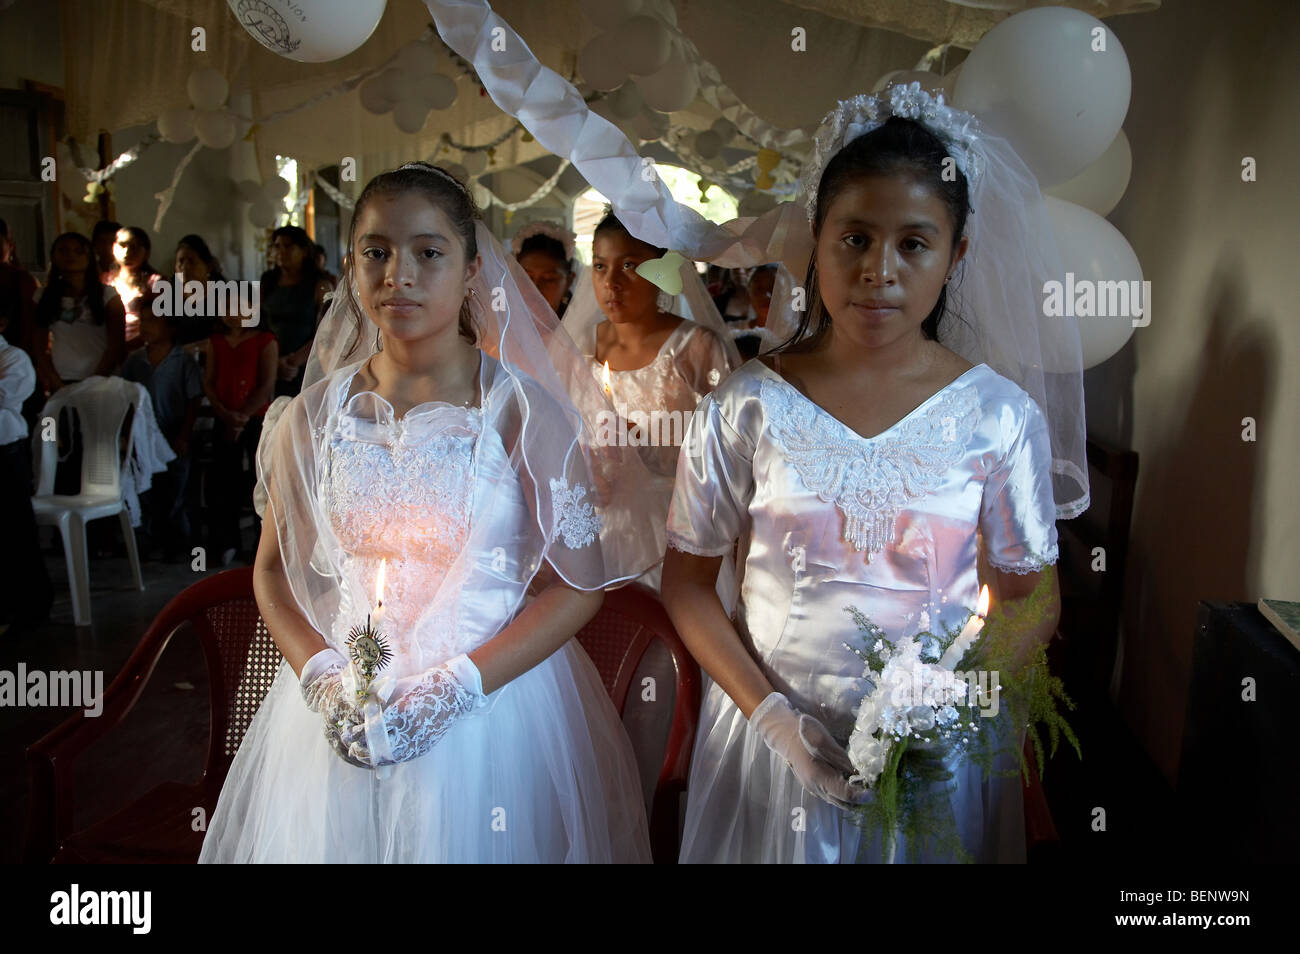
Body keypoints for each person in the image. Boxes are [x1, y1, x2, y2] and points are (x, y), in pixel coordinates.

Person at [661, 87, 1086, 863]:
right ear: (815, 243)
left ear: (956, 255)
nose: (877, 271)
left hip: (932, 762)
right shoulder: (746, 404)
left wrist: (948, 713)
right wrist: (772, 721)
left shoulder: (1000, 417)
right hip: (770, 742)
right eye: (853, 239)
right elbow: (687, 583)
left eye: (913, 244)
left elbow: (1032, 599)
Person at [199, 162, 659, 863]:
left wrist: (456, 689)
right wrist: (321, 678)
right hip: (341, 710)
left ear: (472, 270)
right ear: (351, 266)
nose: (398, 274)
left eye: (428, 252)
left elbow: (577, 586)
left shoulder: (524, 413)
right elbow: (271, 571)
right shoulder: (311, 416)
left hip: (489, 710)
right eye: (376, 252)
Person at [563, 212, 739, 592]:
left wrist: (647, 450)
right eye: (599, 266)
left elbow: (731, 457)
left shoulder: (697, 348)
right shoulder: (574, 349)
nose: (612, 283)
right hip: (596, 534)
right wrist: (587, 470)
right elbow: (550, 444)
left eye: (630, 265)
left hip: (673, 534)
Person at [123, 297, 203, 559]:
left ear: (170, 327)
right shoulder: (135, 361)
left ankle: (179, 544)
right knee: (148, 489)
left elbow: (193, 399)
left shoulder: (183, 361)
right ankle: (151, 540)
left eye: (153, 321)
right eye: (143, 320)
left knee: (177, 490)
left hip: (174, 432)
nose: (145, 326)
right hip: (144, 436)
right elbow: (125, 398)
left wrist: (184, 435)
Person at [202, 309, 278, 565]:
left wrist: (242, 417)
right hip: (224, 419)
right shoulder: (216, 341)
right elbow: (209, 382)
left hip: (255, 420)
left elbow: (266, 384)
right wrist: (225, 414)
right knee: (223, 483)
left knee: (260, 481)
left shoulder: (265, 340)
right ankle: (226, 542)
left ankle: (260, 547)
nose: (231, 314)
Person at [0, 306, 53, 633]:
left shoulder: (13, 358)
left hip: (6, 453)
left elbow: (6, 395)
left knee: (15, 531)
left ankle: (31, 607)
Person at [33, 232, 126, 394]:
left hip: (102, 379)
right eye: (63, 251)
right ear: (53, 257)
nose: (70, 255)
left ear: (89, 256)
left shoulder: (107, 295)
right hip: (62, 380)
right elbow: (39, 346)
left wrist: (94, 381)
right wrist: (55, 382)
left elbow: (115, 346)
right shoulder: (43, 296)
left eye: (78, 251)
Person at [260, 225, 331, 398]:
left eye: (288, 246)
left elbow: (327, 332)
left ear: (304, 251)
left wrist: (293, 361)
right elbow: (259, 323)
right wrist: (273, 362)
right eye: (277, 246)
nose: (281, 252)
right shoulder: (268, 281)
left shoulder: (319, 284)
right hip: (270, 362)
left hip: (306, 363)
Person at [103, 226, 161, 350]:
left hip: (142, 347)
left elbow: (161, 324)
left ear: (146, 252)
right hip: (107, 345)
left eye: (134, 247)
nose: (127, 251)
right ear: (113, 248)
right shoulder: (105, 281)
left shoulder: (156, 282)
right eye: (123, 245)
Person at [512, 221, 575, 317]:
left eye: (549, 279)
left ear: (568, 282)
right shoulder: (498, 323)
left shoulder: (579, 328)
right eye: (526, 278)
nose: (535, 288)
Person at [173, 234, 225, 345]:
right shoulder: (170, 296)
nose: (185, 267)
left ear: (208, 267)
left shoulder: (223, 296)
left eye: (191, 262)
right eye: (181, 261)